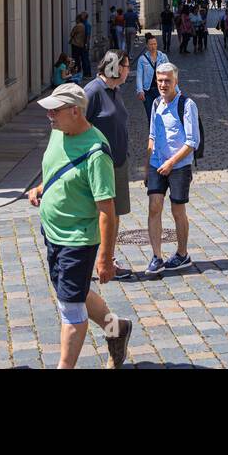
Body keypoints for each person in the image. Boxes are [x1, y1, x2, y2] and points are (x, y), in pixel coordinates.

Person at [27, 83, 133, 370]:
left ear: (75, 111)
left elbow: (107, 211)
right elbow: (55, 169)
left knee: (70, 307)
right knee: (76, 292)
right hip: (52, 234)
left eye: (55, 110)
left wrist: (105, 258)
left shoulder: (96, 151)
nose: (50, 115)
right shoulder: (59, 132)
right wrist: (41, 187)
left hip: (78, 240)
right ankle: (118, 329)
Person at [85, 51, 136, 282]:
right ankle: (94, 262)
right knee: (101, 215)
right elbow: (78, 127)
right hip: (100, 167)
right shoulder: (93, 92)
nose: (128, 69)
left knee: (114, 215)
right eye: (126, 65)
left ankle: (109, 259)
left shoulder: (115, 91)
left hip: (118, 162)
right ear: (115, 67)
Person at [144, 63, 199, 276]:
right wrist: (147, 164)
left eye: (167, 80)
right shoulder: (156, 103)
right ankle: (156, 257)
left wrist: (172, 162)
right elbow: (151, 136)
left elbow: (192, 141)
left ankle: (182, 254)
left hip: (179, 167)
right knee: (154, 206)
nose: (163, 84)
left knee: (178, 211)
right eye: (160, 81)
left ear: (176, 81)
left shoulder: (186, 105)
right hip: (158, 164)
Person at [135, 33, 169, 123]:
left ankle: (162, 136)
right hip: (148, 91)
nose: (153, 46)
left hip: (161, 90)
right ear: (147, 45)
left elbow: (169, 74)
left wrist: (176, 90)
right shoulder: (142, 59)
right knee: (151, 116)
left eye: (155, 44)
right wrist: (140, 90)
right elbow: (139, 76)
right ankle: (152, 136)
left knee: (162, 114)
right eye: (151, 44)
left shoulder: (163, 57)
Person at [70, 13, 92, 78]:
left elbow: (72, 34)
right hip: (82, 44)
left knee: (81, 59)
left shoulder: (83, 25)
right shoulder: (84, 24)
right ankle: (86, 73)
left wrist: (86, 44)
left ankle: (84, 73)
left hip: (78, 44)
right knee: (83, 59)